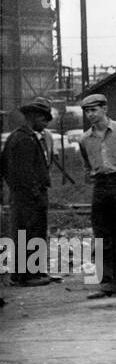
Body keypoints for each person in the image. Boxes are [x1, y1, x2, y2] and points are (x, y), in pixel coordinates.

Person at [78, 93, 116, 298]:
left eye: (94, 110)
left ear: (105, 109)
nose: (90, 114)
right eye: (87, 111)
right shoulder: (85, 139)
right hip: (101, 186)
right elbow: (87, 165)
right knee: (102, 236)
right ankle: (108, 284)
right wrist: (94, 177)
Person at [1, 97, 54, 286]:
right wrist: (33, 192)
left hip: (31, 195)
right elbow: (20, 172)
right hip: (27, 197)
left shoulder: (27, 137)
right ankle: (26, 276)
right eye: (44, 119)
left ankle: (34, 272)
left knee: (34, 232)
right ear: (33, 117)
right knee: (27, 232)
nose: (46, 123)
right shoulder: (22, 139)